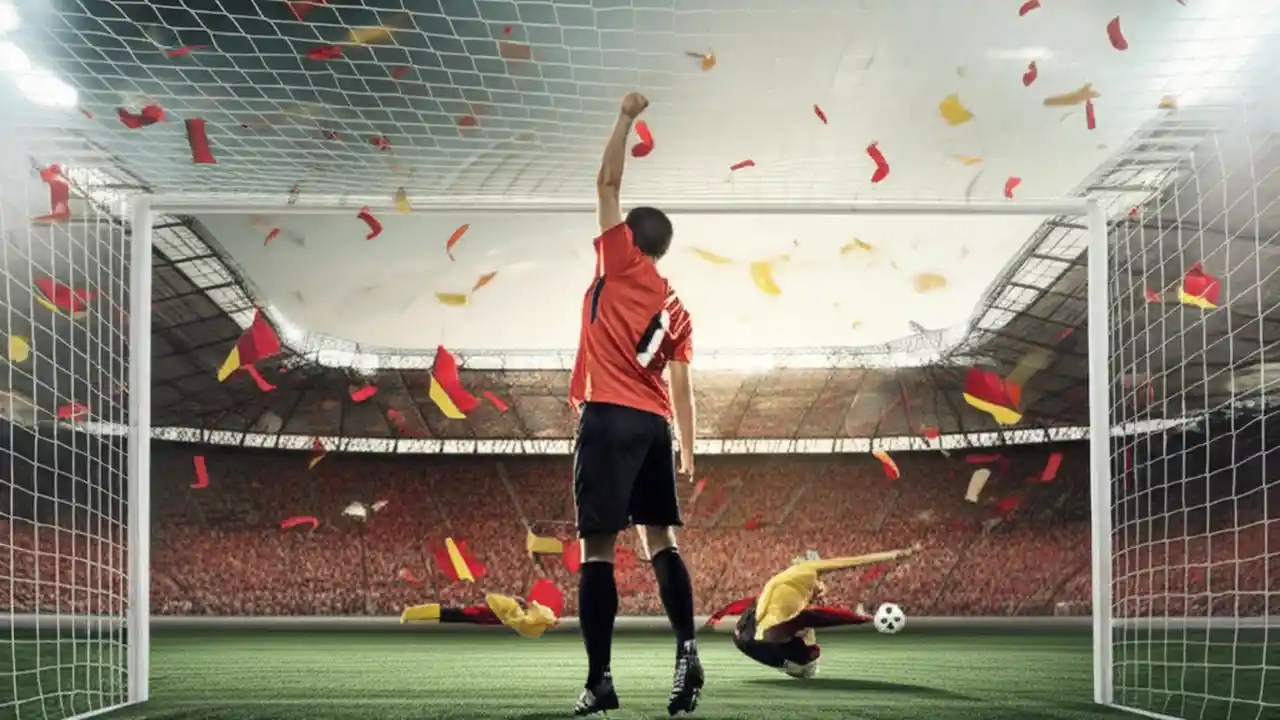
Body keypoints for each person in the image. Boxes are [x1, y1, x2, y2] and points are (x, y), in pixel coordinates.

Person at [568, 90, 700, 717]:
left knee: (598, 549)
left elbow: (607, 180)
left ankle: (601, 681)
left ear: (630, 237)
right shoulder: (676, 306)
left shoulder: (618, 262)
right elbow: (681, 383)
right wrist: (690, 449)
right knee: (660, 541)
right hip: (655, 427)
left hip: (610, 416)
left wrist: (624, 117)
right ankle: (688, 649)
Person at [704, 547, 918, 678]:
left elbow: (749, 604)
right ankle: (798, 665)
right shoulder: (808, 572)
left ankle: (790, 663)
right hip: (766, 640)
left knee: (797, 623)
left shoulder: (781, 583)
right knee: (807, 629)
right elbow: (852, 562)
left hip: (743, 639)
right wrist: (895, 555)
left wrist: (718, 617)